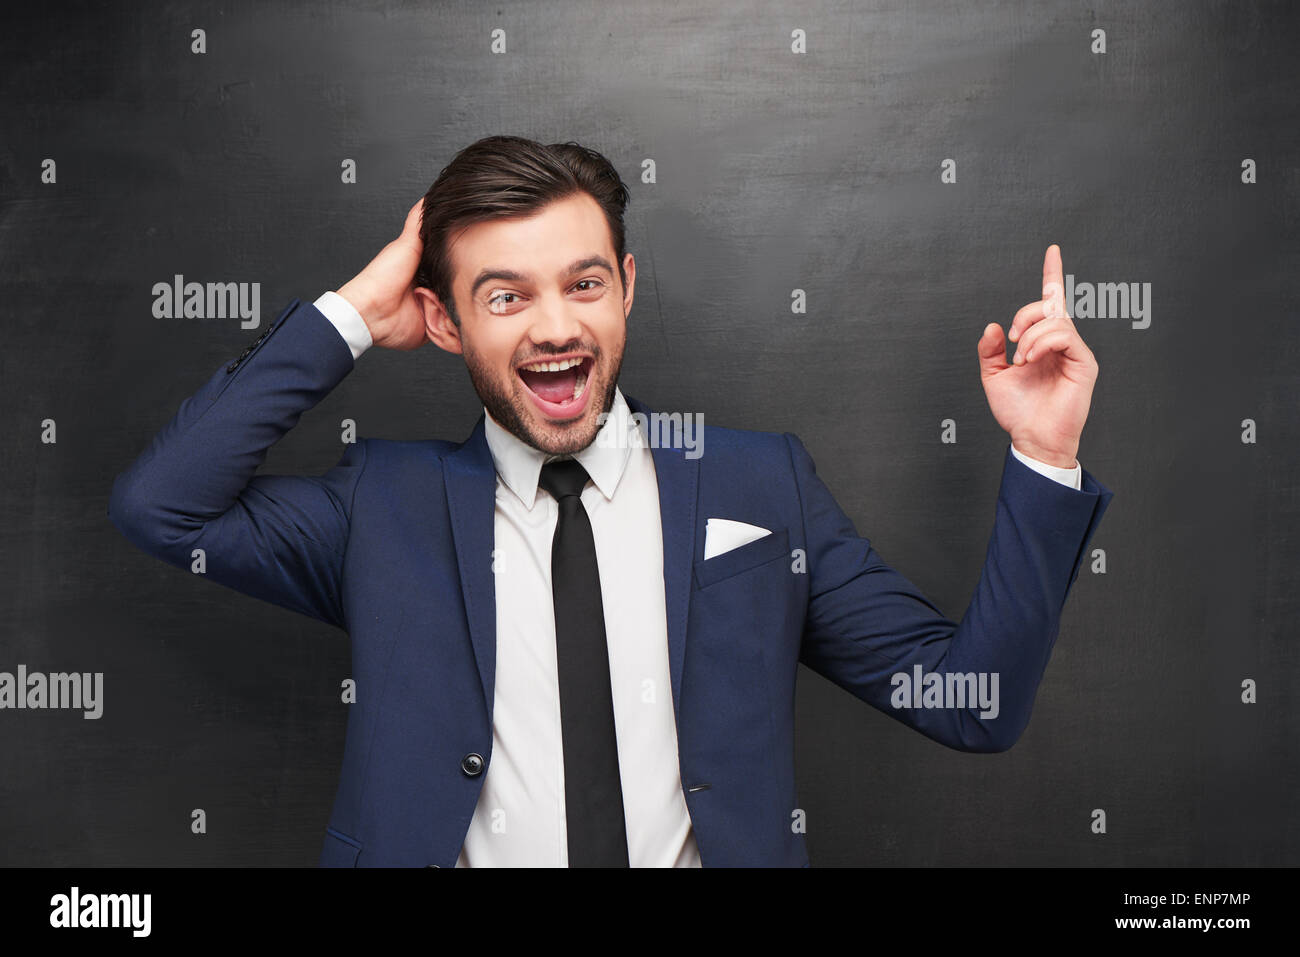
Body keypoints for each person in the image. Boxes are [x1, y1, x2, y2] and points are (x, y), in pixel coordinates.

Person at [108, 134, 1114, 867]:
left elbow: (972, 704)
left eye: (583, 284)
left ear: (625, 288)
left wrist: (1042, 453)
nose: (555, 326)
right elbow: (164, 507)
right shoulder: (384, 505)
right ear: (445, 323)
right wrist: (352, 318)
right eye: (504, 296)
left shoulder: (760, 485)